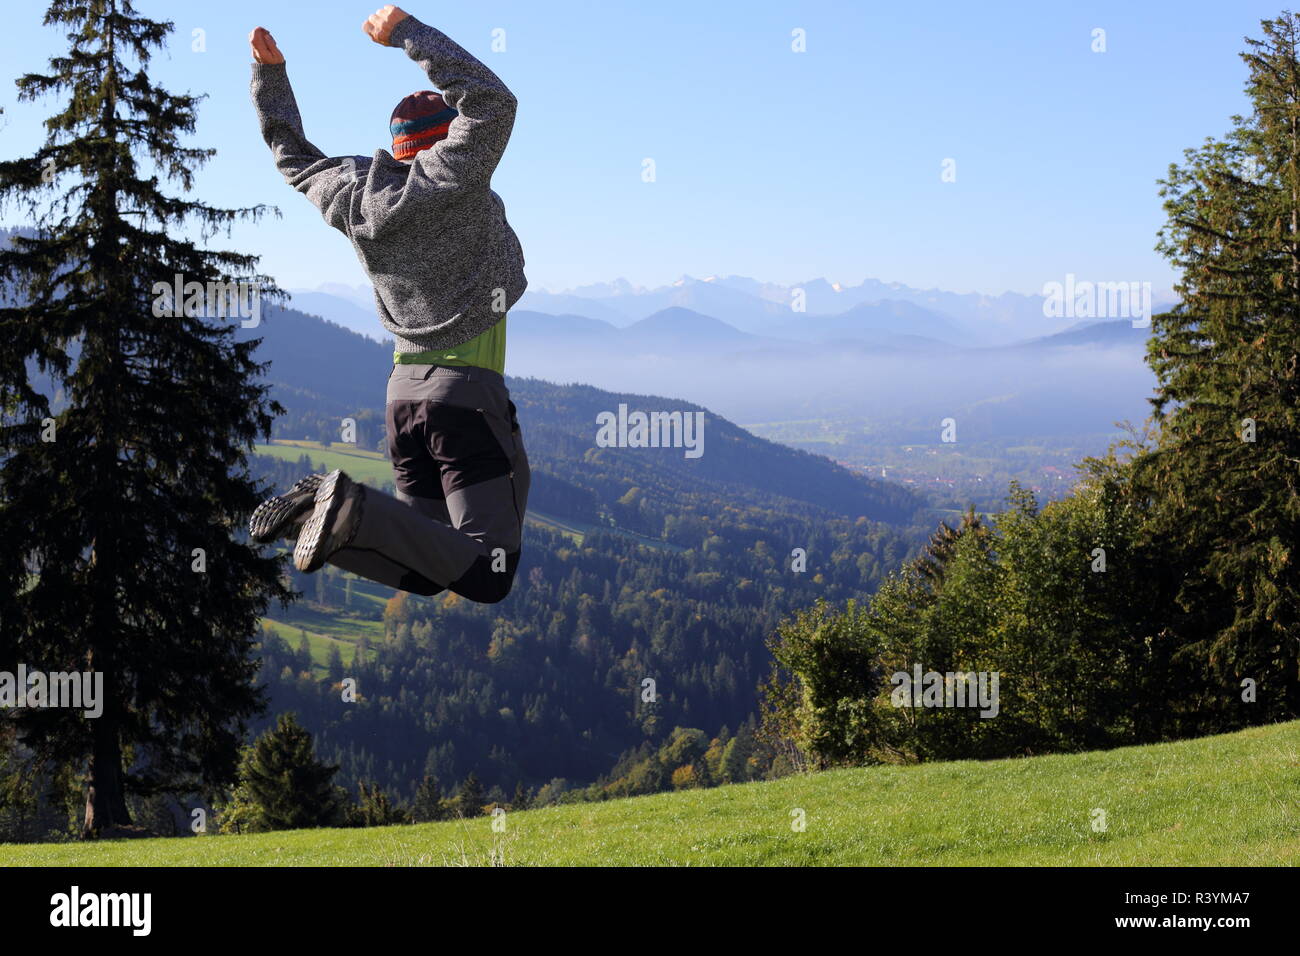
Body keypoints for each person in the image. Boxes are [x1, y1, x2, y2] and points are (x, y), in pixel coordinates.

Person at [246, 5, 529, 602]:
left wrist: (270, 79)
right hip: (463, 396)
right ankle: (344, 498)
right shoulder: (453, 178)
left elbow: (294, 160)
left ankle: (324, 509)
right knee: (489, 572)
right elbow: (492, 102)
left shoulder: (353, 195)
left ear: (397, 148)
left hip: (405, 400)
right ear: (447, 140)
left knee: (428, 564)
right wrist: (406, 33)